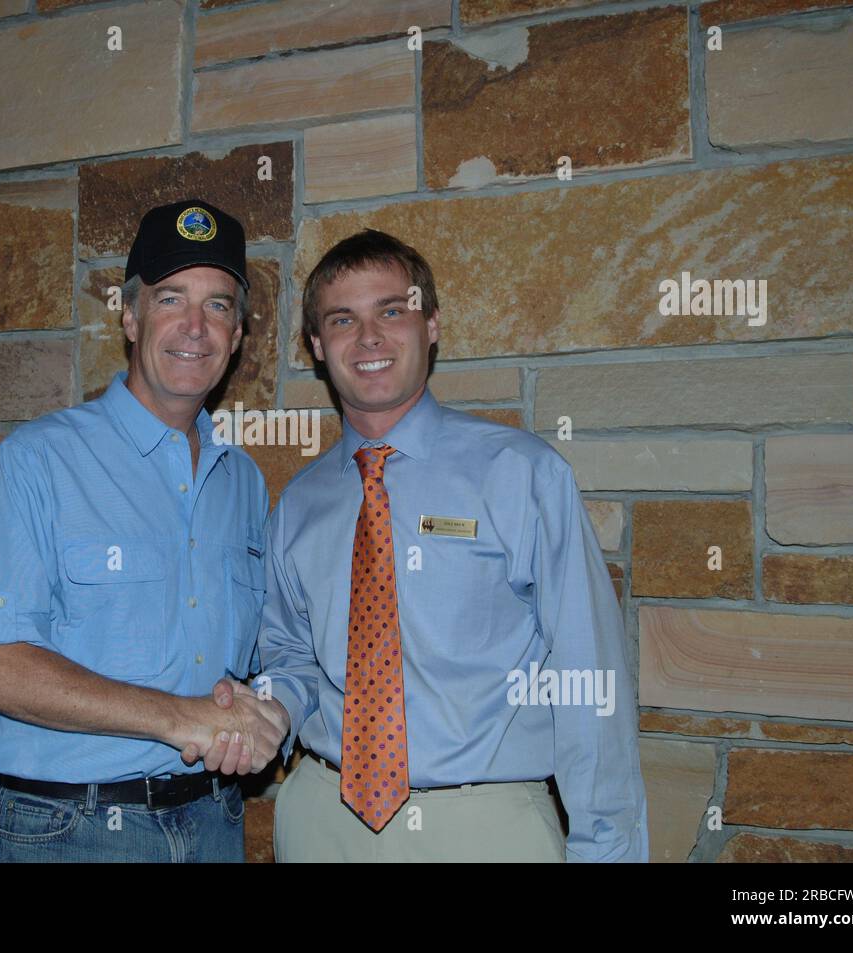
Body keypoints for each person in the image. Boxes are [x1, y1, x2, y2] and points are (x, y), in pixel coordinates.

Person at [254, 228, 649, 862]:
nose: (370, 337)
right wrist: (265, 711)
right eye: (343, 319)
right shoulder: (300, 503)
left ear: (431, 323)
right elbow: (289, 655)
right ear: (317, 346)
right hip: (320, 823)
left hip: (485, 828)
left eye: (392, 310)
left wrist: (607, 849)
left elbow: (586, 676)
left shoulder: (521, 475)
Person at [0, 199, 288, 863]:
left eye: (218, 305)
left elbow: (256, 659)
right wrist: (177, 716)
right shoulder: (37, 461)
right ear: (130, 316)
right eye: (171, 298)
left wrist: (267, 709)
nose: (195, 325)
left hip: (216, 821)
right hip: (77, 829)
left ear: (239, 333)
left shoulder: (242, 483)